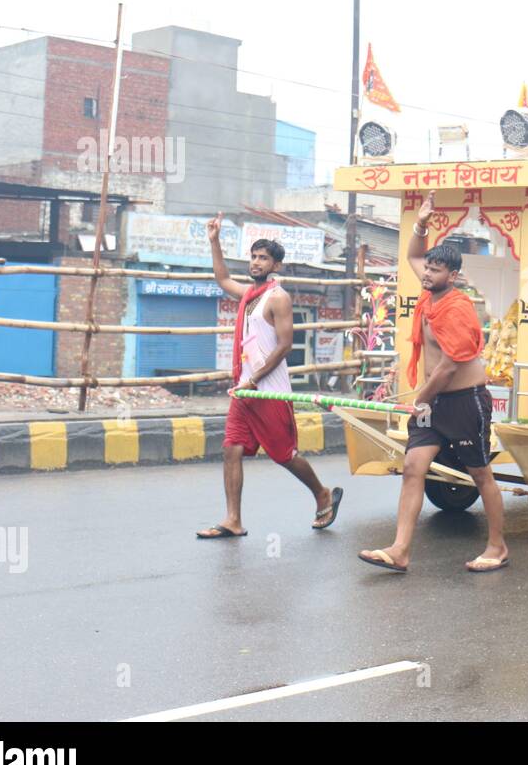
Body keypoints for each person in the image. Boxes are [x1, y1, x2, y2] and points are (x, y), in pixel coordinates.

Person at [359, 191, 508, 574]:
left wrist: (418, 401)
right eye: (427, 268)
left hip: (463, 402)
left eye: (436, 270)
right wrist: (421, 225)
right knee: (413, 468)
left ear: (452, 276)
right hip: (433, 405)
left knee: (480, 474)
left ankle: (497, 547)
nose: (426, 273)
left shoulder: (457, 307)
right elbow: (412, 255)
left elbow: (446, 368)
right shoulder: (430, 293)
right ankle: (400, 550)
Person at [197, 215, 343, 539]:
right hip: (245, 391)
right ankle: (232, 519)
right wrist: (214, 240)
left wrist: (255, 378)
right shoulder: (249, 295)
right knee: (231, 448)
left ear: (275, 265)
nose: (256, 262)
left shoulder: (278, 298)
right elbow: (222, 279)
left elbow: (285, 345)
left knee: (284, 455)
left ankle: (321, 494)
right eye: (253, 256)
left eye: (263, 258)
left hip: (270, 391)